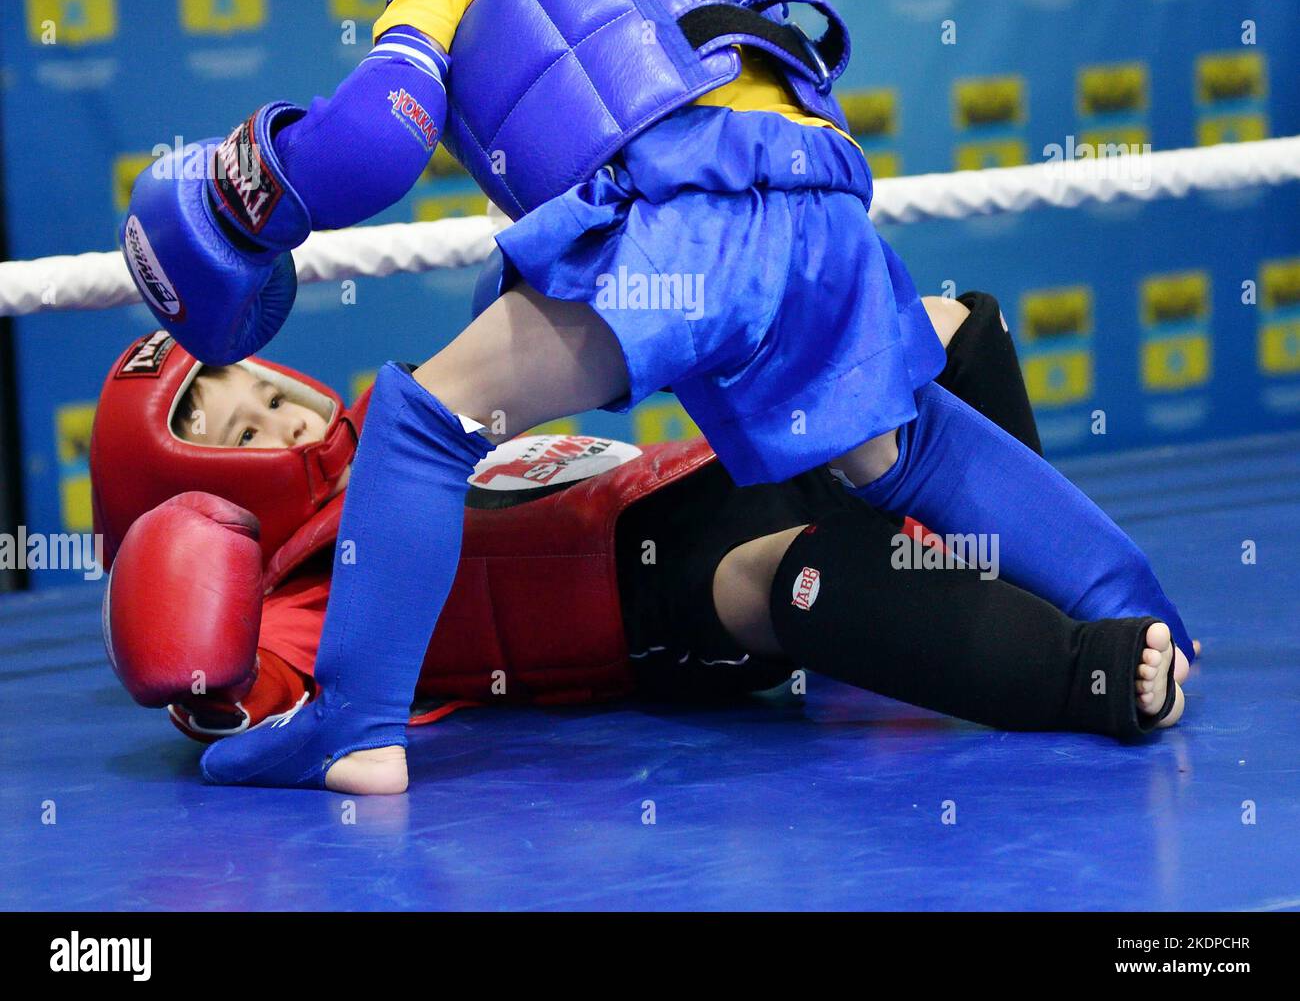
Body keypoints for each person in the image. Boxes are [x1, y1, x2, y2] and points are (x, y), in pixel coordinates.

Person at [120, 0, 1193, 792]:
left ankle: (355, 730)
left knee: (422, 419)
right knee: (902, 443)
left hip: (681, 225)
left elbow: (376, 143)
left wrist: (251, 182)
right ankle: (1131, 608)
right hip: (816, 199)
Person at [92, 291, 1181, 766]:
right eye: (241, 431)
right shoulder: (287, 609)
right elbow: (229, 700)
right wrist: (184, 608)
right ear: (198, 494)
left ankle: (1031, 587)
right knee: (792, 578)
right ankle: (1081, 673)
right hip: (659, 598)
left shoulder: (398, 422)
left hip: (707, 472)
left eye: (259, 390)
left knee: (951, 331)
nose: (281, 412)